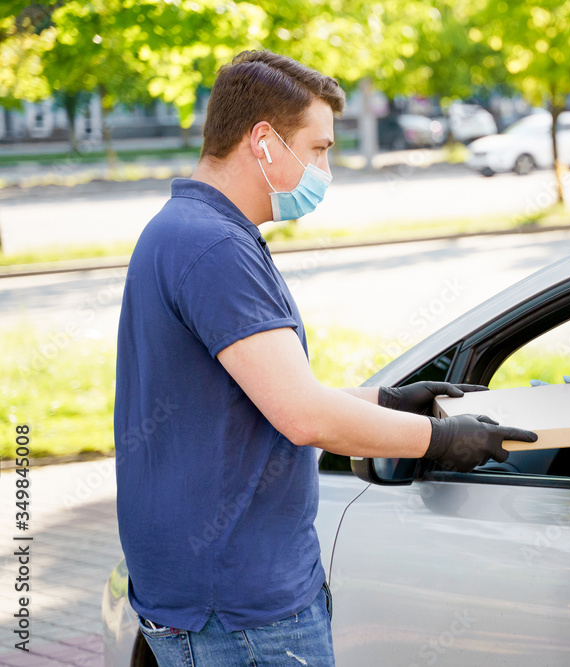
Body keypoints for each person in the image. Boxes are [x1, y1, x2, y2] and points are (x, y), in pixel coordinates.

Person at [114, 50, 535, 666]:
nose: (324, 167)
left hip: (210, 592)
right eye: (317, 148)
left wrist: (388, 401)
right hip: (240, 606)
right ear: (263, 141)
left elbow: (264, 393)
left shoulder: (187, 229)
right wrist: (441, 441)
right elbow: (304, 416)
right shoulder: (214, 248)